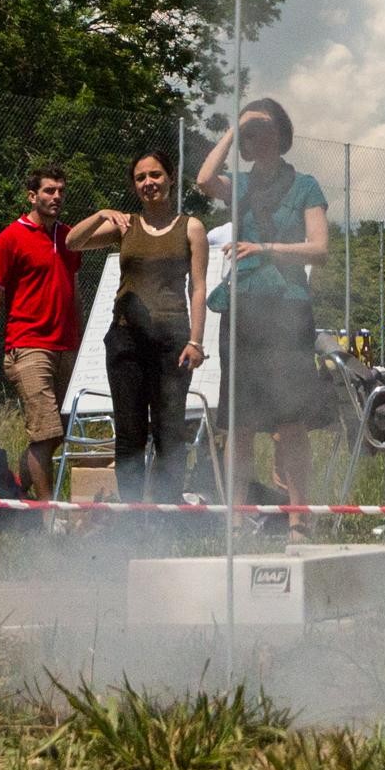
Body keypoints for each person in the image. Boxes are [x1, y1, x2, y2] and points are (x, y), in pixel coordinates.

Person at [193, 98, 331, 520]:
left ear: (282, 134)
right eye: (250, 132)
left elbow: (320, 249)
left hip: (288, 311)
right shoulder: (241, 186)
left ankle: (298, 519)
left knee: (290, 423)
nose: (257, 136)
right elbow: (202, 179)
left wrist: (267, 249)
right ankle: (236, 521)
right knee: (239, 422)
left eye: (264, 127)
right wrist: (234, 128)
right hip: (243, 308)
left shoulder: (306, 185)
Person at [70, 148, 207, 502]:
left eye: (156, 175)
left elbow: (199, 287)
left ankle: (167, 512)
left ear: (171, 178)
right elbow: (72, 242)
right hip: (126, 338)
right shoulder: (124, 225)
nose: (149, 183)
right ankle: (130, 521)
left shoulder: (189, 227)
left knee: (169, 429)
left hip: (172, 341)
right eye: (141, 178)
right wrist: (102, 212)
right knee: (130, 431)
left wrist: (196, 341)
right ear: (134, 186)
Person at [0, 164, 80, 501]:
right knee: (44, 430)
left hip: (67, 346)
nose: (57, 197)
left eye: (61, 191)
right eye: (50, 191)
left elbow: (73, 290)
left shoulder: (68, 236)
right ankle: (48, 513)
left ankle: (16, 488)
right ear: (32, 196)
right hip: (28, 345)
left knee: (57, 433)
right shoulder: (11, 237)